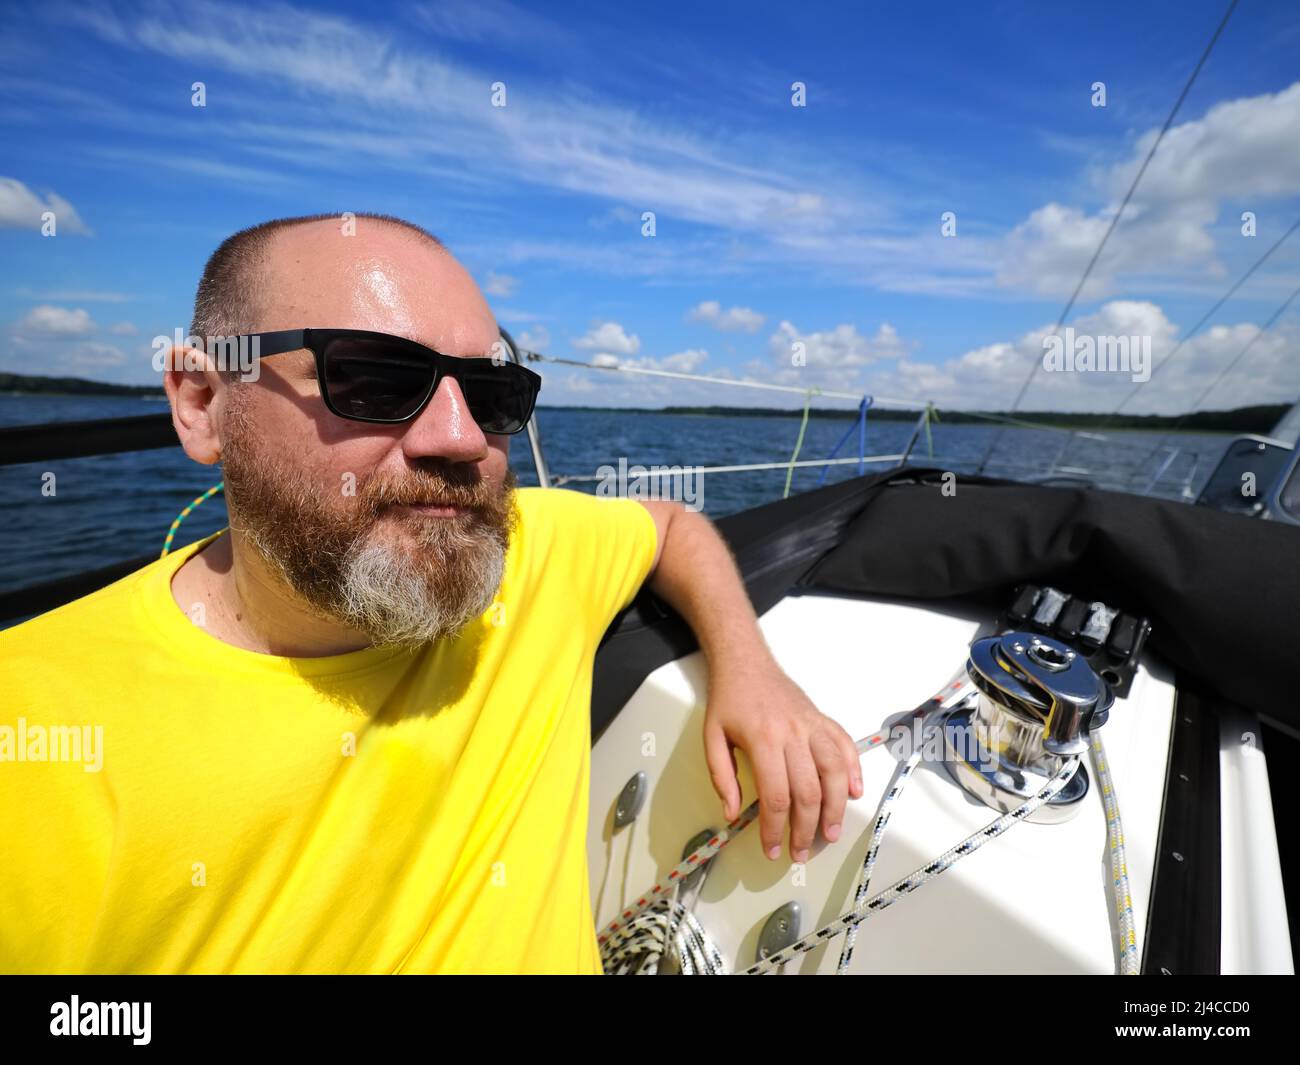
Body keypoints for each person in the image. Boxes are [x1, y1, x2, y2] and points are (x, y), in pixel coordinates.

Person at [0, 212, 862, 974]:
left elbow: (669, 525)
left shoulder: (523, 553)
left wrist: (752, 669)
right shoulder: (35, 734)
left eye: (491, 395)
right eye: (372, 378)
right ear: (201, 401)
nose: (458, 440)